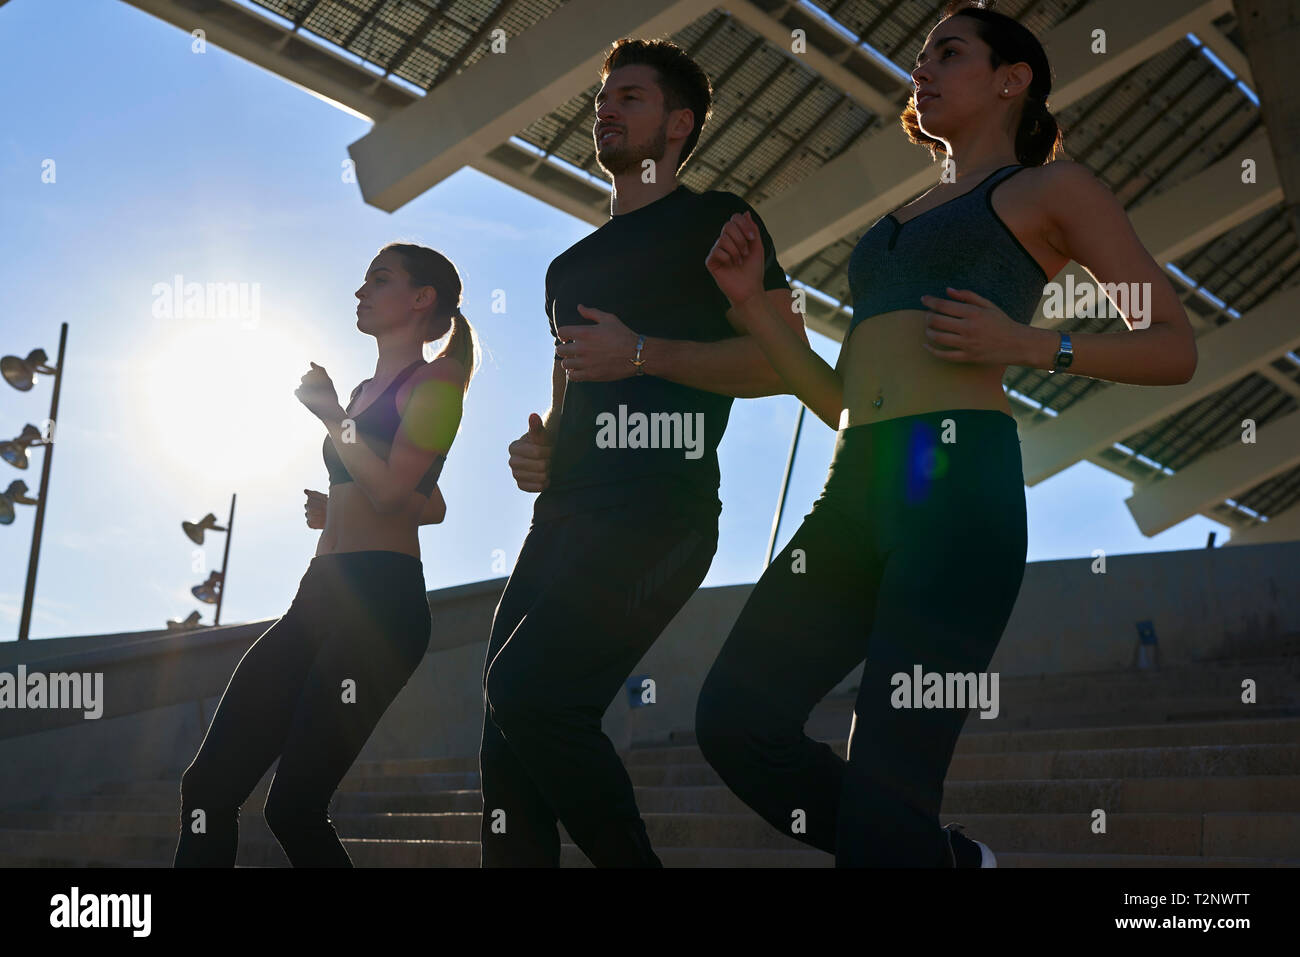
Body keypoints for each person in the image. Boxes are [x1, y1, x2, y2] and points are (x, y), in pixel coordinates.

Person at [693, 0, 1197, 867]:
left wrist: (1034, 344)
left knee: (890, 784)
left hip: (960, 494)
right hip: (855, 486)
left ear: (1013, 79)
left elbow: (1174, 347)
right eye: (920, 55)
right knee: (733, 720)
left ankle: (910, 849)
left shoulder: (1052, 189)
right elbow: (845, 400)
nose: (919, 67)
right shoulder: (900, 218)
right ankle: (947, 861)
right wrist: (755, 309)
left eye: (947, 52)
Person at [482, 36, 803, 867]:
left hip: (660, 516)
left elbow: (785, 364)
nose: (607, 109)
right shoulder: (569, 265)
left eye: (630, 97)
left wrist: (643, 353)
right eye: (602, 98)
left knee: (533, 695)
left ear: (678, 124)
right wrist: (544, 448)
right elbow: (571, 385)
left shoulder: (718, 222)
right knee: (505, 747)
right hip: (560, 521)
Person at [174, 242, 477, 866]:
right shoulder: (368, 388)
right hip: (317, 596)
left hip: (381, 606)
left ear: (422, 300)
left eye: (379, 279)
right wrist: (339, 503)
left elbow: (396, 490)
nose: (360, 291)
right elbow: (430, 498)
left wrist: (331, 414)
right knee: (207, 787)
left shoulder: (437, 380)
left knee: (294, 809)